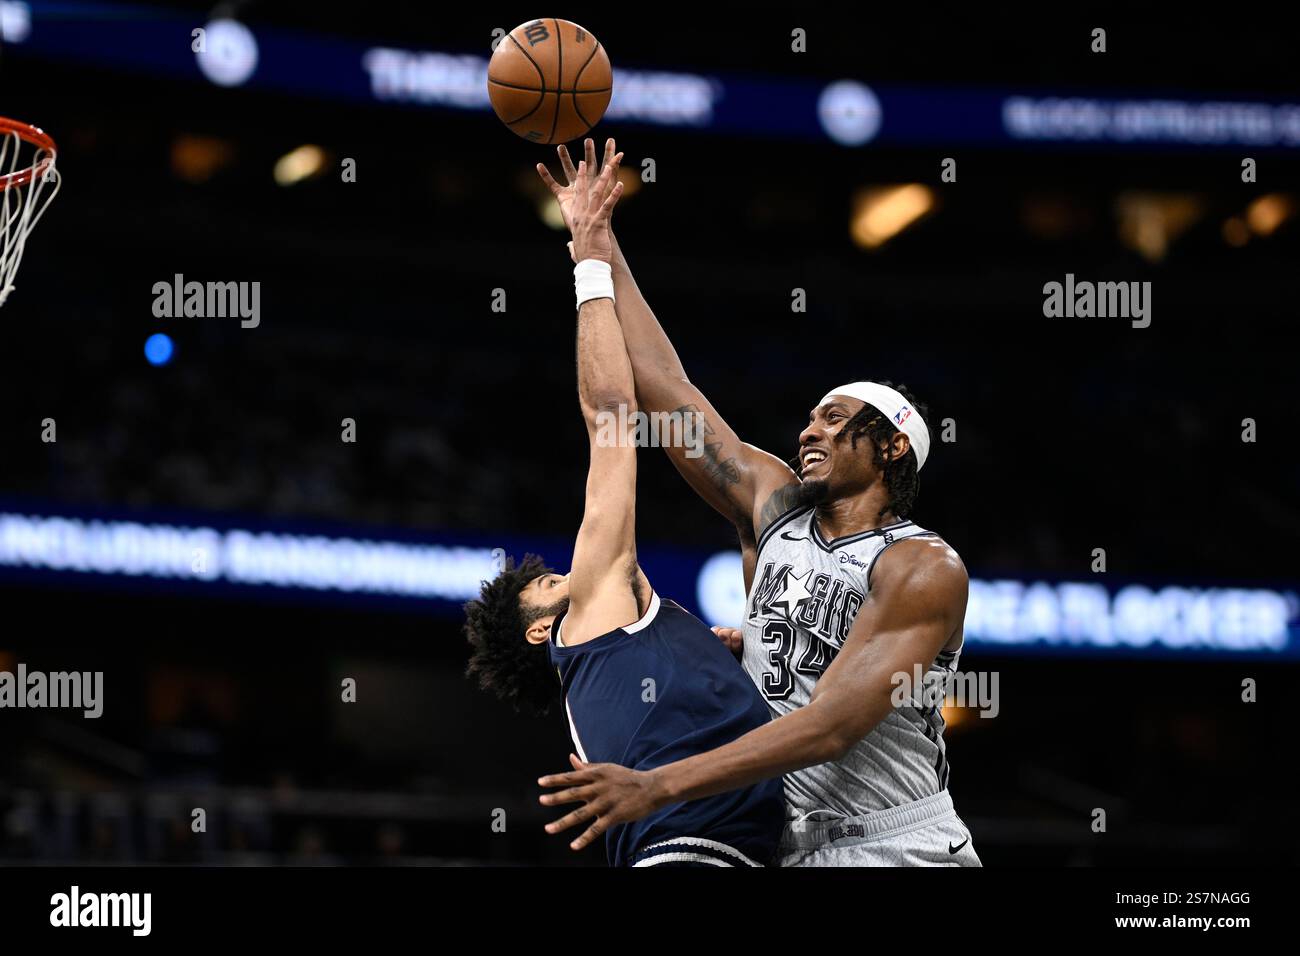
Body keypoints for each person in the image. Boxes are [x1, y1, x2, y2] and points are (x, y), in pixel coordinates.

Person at [535, 139, 980, 866]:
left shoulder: (921, 567)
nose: (811, 428)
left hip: (899, 843)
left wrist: (657, 787)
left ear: (894, 447)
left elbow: (831, 726)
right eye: (810, 416)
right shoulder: (774, 505)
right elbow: (665, 388)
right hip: (787, 844)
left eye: (836, 419)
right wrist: (597, 243)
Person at [463, 154, 784, 867]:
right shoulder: (590, 624)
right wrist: (587, 262)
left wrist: (721, 659)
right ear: (545, 627)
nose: (567, 571)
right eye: (547, 583)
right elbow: (610, 414)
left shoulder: (629, 648)